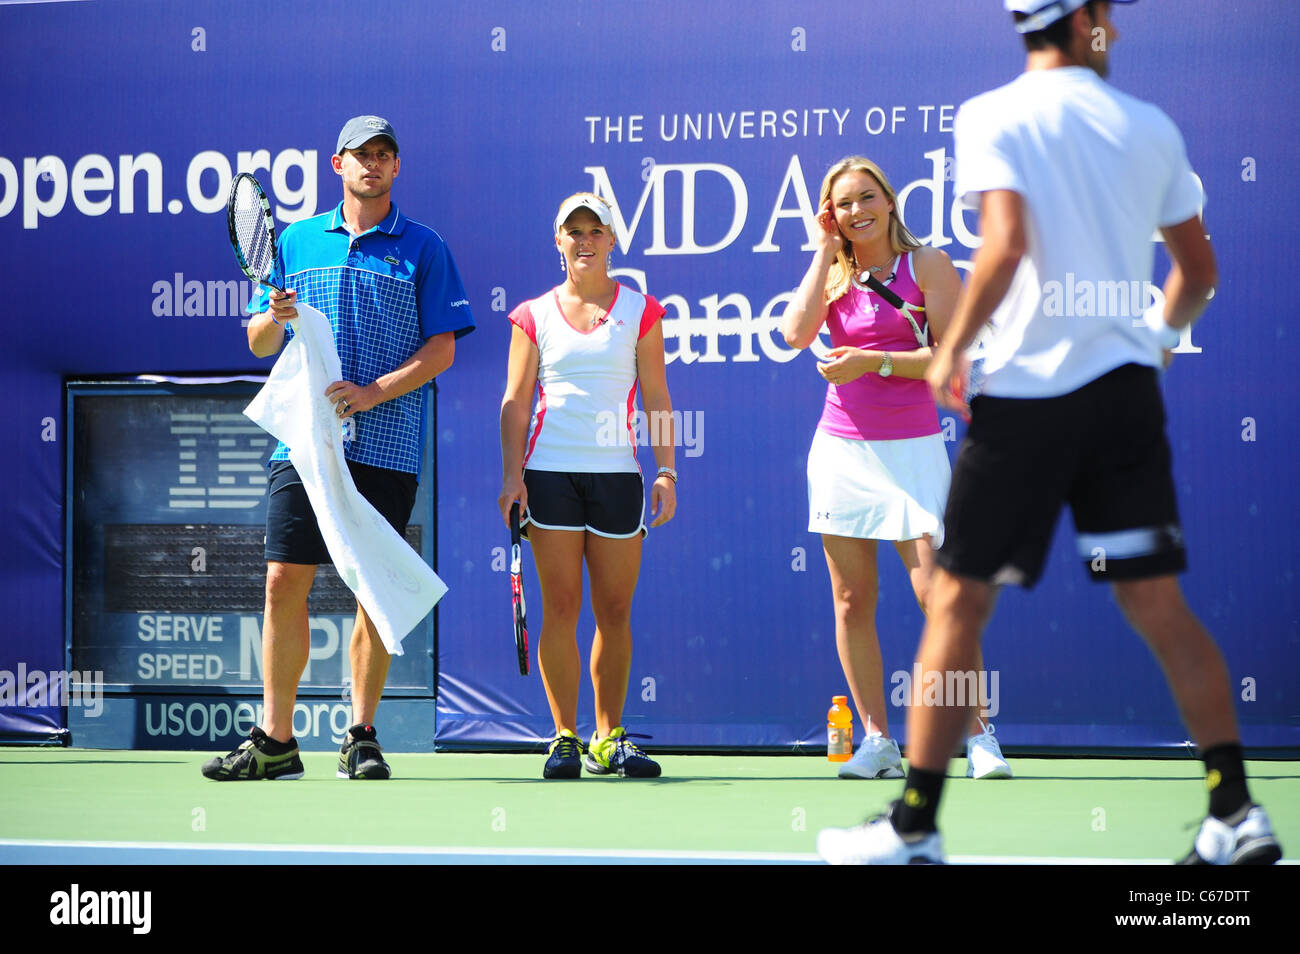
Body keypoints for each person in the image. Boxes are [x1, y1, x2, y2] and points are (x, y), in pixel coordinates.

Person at [818, 0, 1281, 864]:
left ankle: (915, 826)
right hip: (1122, 399)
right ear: (1088, 19)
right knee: (1155, 601)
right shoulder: (1149, 125)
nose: (1118, 28)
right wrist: (1153, 346)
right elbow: (1199, 272)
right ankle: (1235, 810)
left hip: (1027, 400)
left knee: (955, 600)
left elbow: (1003, 247)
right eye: (1111, 13)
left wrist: (950, 349)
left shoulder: (993, 115)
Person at [202, 115, 476, 781]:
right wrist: (274, 314)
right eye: (361, 156)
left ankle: (360, 735)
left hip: (385, 443)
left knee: (372, 591)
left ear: (396, 167)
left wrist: (374, 392)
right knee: (281, 581)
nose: (372, 165)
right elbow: (259, 343)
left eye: (384, 155)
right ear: (337, 165)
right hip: (303, 444)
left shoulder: (425, 247)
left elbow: (442, 347)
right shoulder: (295, 242)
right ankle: (275, 742)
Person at [781, 157, 1010, 781]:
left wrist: (874, 363)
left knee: (939, 595)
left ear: (889, 200)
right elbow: (795, 332)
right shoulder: (832, 271)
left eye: (866, 198)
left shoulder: (926, 265)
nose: (857, 212)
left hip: (912, 450)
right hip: (840, 450)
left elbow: (952, 355)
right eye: (843, 204)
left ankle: (982, 737)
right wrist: (823, 251)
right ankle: (878, 740)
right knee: (853, 600)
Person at [498, 192, 676, 779]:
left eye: (594, 230)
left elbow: (656, 397)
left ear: (611, 240)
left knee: (616, 611)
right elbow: (516, 402)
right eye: (573, 231)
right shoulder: (533, 314)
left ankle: (609, 736)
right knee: (562, 609)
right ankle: (565, 738)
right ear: (559, 242)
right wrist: (511, 476)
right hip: (549, 476)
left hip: (619, 477)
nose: (584, 240)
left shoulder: (641, 310)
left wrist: (667, 468)